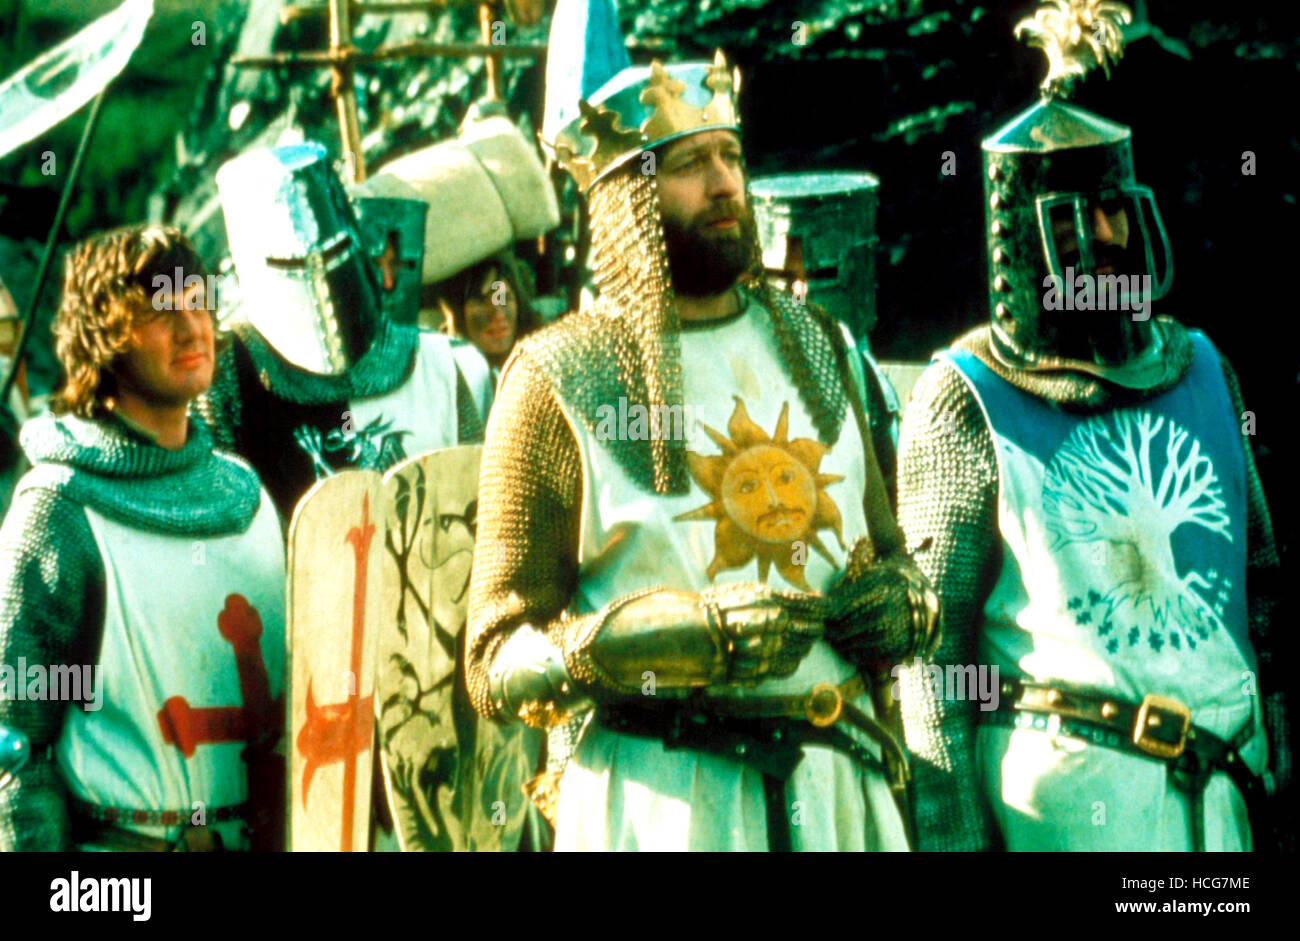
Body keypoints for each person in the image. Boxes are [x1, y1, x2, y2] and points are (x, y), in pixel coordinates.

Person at [465, 51, 938, 851]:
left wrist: (900, 605)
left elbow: (892, 556)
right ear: (625, 199)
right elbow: (494, 657)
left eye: (732, 157)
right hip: (664, 804)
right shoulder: (557, 376)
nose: (725, 184)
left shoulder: (816, 344)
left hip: (837, 785)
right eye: (689, 165)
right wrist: (642, 643)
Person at [896, 0, 1288, 852]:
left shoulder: (1203, 368)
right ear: (1023, 235)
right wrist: (953, 833)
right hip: (1066, 812)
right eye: (1082, 216)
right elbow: (934, 658)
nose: (1108, 235)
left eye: (1117, 208)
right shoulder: (964, 395)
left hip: (1221, 795)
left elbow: (1262, 588)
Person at [0, 224, 286, 851]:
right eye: (160, 310)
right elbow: (15, 746)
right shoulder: (61, 512)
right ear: (105, 336)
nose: (191, 328)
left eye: (197, 301)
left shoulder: (244, 493)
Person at [199, 142, 493, 523]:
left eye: (335, 252)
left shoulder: (436, 362)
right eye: (289, 263)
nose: (316, 279)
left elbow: (486, 504)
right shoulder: (228, 384)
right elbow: (229, 538)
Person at [433, 250, 541, 387]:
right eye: (480, 301)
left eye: (504, 298)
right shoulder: (441, 376)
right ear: (456, 314)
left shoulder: (539, 368)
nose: (499, 315)